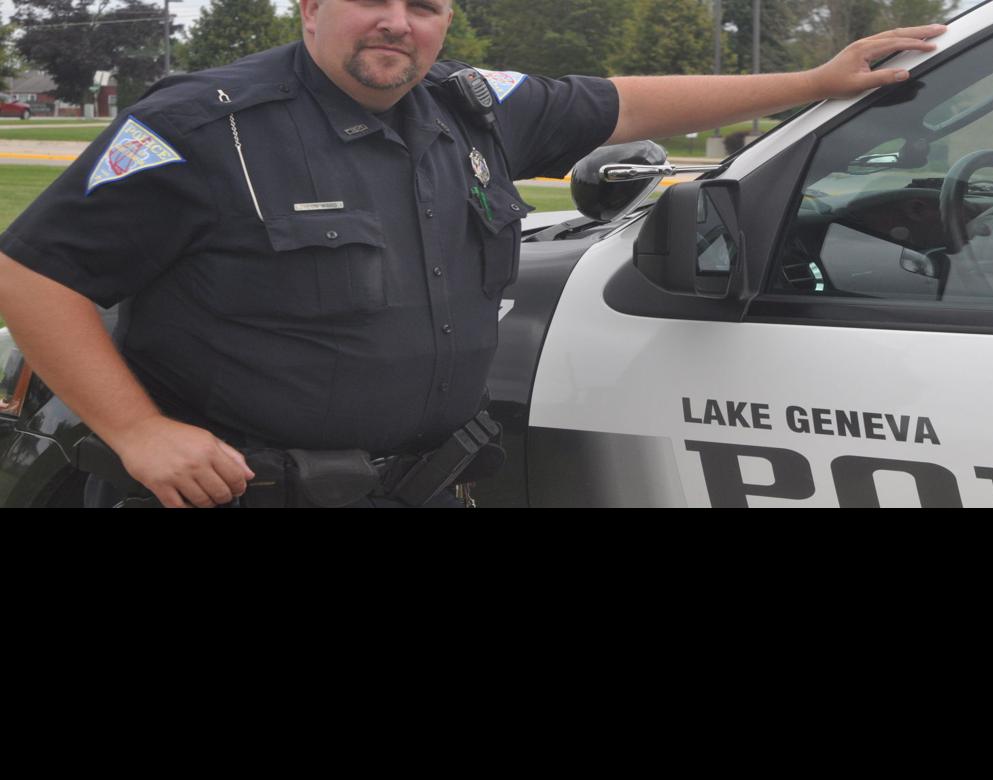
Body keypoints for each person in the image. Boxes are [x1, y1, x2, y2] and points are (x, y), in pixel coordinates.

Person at [0, 0, 944, 508]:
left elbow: (627, 101)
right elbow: (32, 272)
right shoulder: (203, 126)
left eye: (424, 4)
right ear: (311, 7)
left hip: (424, 485)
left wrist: (814, 81)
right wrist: (134, 430)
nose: (398, 23)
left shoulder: (470, 107)